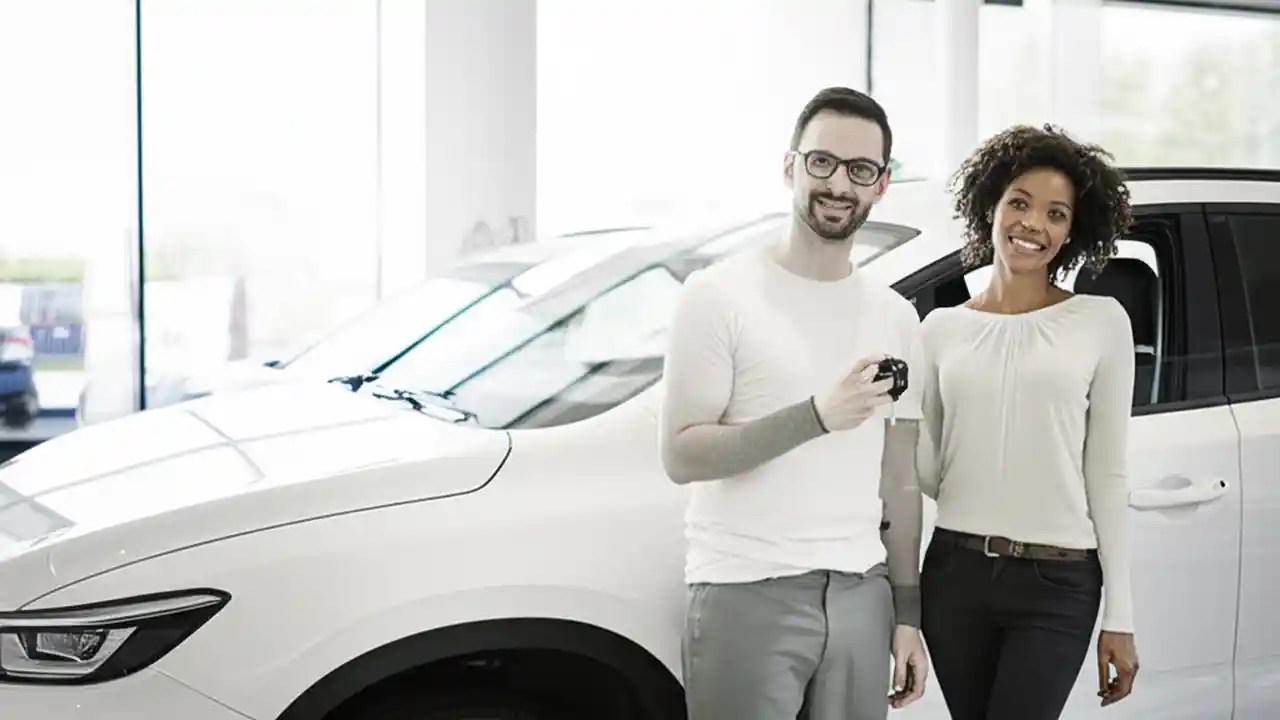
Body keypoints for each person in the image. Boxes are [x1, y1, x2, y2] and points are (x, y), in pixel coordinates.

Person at [659, 86, 929, 720]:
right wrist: (816, 417)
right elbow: (681, 453)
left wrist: (907, 613)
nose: (839, 183)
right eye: (822, 162)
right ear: (790, 167)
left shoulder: (895, 315)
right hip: (745, 589)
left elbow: (900, 482)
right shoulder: (718, 294)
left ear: (881, 185)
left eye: (861, 170)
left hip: (862, 597)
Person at [915, 124, 1141, 720]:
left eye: (1056, 214)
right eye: (1019, 202)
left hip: (1058, 584)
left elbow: (1108, 475)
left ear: (1073, 231)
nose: (1033, 225)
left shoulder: (1101, 321)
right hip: (954, 576)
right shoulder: (939, 331)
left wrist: (1121, 615)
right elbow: (929, 466)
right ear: (990, 206)